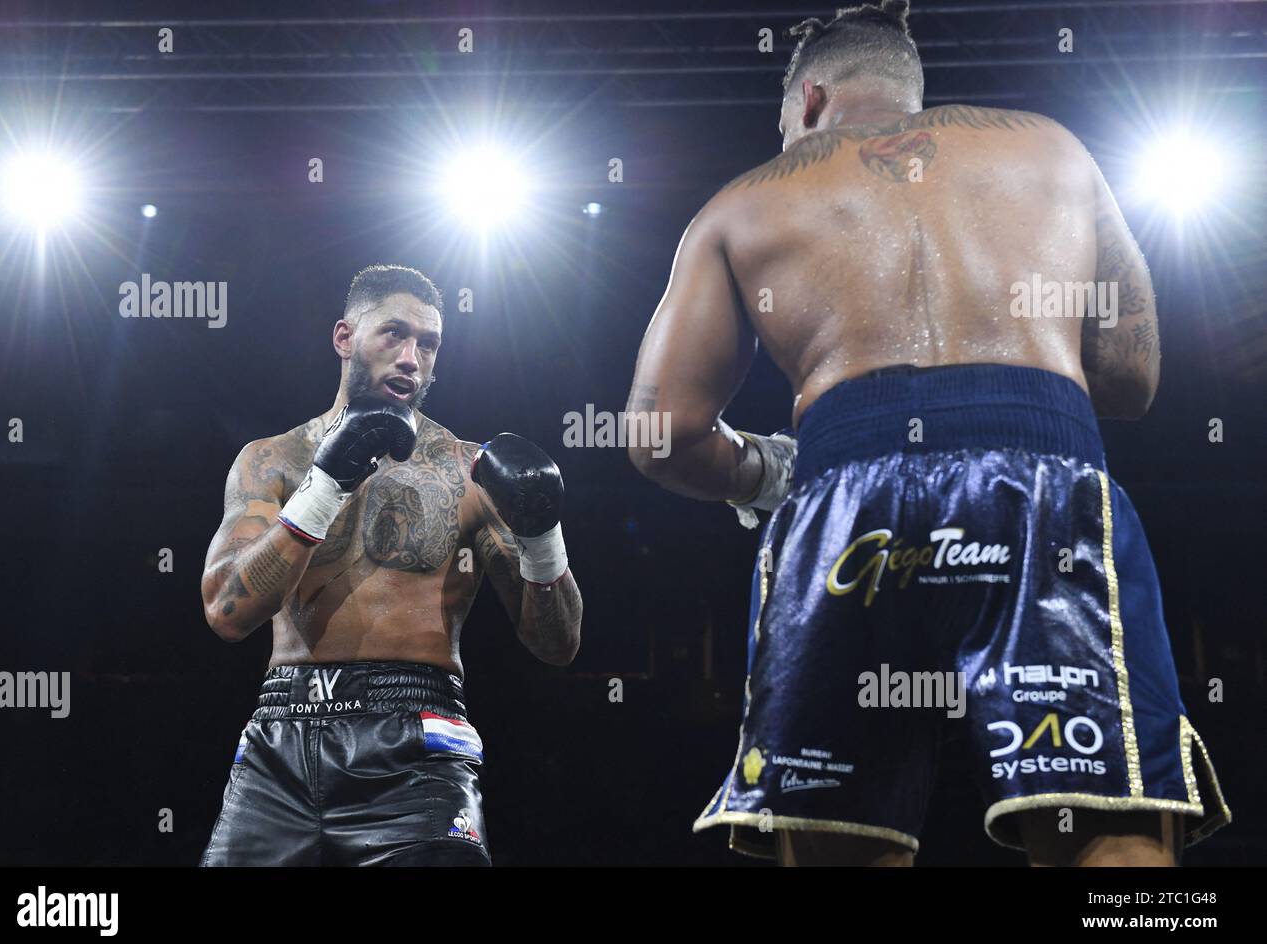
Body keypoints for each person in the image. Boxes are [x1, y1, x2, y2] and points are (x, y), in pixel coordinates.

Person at [626, 0, 1228, 866]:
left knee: (841, 845)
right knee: (1109, 838)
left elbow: (656, 434)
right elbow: (1133, 378)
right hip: (1040, 487)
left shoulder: (740, 206)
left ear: (809, 102)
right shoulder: (1053, 149)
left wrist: (766, 474)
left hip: (845, 508)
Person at [199, 264, 582, 865]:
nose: (412, 358)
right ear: (344, 337)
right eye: (394, 335)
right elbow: (226, 612)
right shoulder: (270, 461)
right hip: (279, 741)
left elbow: (556, 644)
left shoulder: (470, 473)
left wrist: (543, 538)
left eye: (427, 344)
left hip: (415, 747)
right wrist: (325, 485)